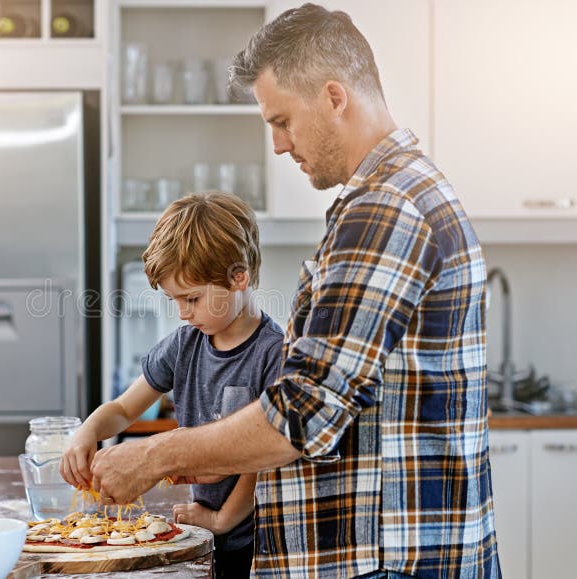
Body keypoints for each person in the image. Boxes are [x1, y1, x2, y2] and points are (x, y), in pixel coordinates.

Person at [90, 4, 501, 578]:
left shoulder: (386, 210)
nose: (279, 145)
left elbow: (303, 416)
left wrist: (155, 454)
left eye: (281, 120)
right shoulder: (394, 196)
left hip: (385, 564)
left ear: (335, 97)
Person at [60, 191, 285, 578]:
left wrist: (222, 518)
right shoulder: (184, 344)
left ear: (238, 277)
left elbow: (260, 464)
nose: (182, 313)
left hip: (256, 542)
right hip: (205, 533)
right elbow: (125, 409)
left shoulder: (273, 353)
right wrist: (89, 430)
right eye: (175, 300)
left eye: (192, 298)